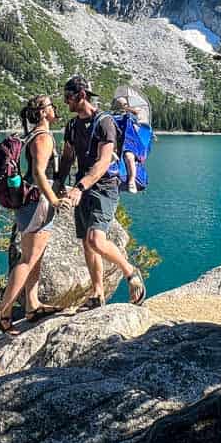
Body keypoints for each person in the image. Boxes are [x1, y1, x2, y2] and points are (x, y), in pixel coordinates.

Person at [56, 75, 145, 309]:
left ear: (82, 96)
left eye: (69, 97)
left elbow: (104, 161)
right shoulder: (72, 125)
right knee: (87, 243)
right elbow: (67, 157)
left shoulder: (104, 122)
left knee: (96, 238)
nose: (66, 102)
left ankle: (131, 272)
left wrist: (79, 188)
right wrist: (58, 182)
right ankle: (97, 294)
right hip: (83, 185)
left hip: (104, 186)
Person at [0, 94, 62, 335]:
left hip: (30, 203)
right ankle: (4, 312)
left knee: (35, 257)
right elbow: (40, 173)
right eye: (51, 106)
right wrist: (55, 199)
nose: (55, 109)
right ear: (43, 112)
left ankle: (33, 306)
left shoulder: (31, 135)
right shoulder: (43, 137)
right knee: (28, 259)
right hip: (37, 203)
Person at [111, 94, 146, 193]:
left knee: (128, 156)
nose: (124, 107)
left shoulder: (129, 116)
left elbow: (138, 116)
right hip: (115, 141)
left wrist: (127, 109)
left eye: (125, 104)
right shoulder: (111, 116)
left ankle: (131, 181)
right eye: (122, 105)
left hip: (129, 141)